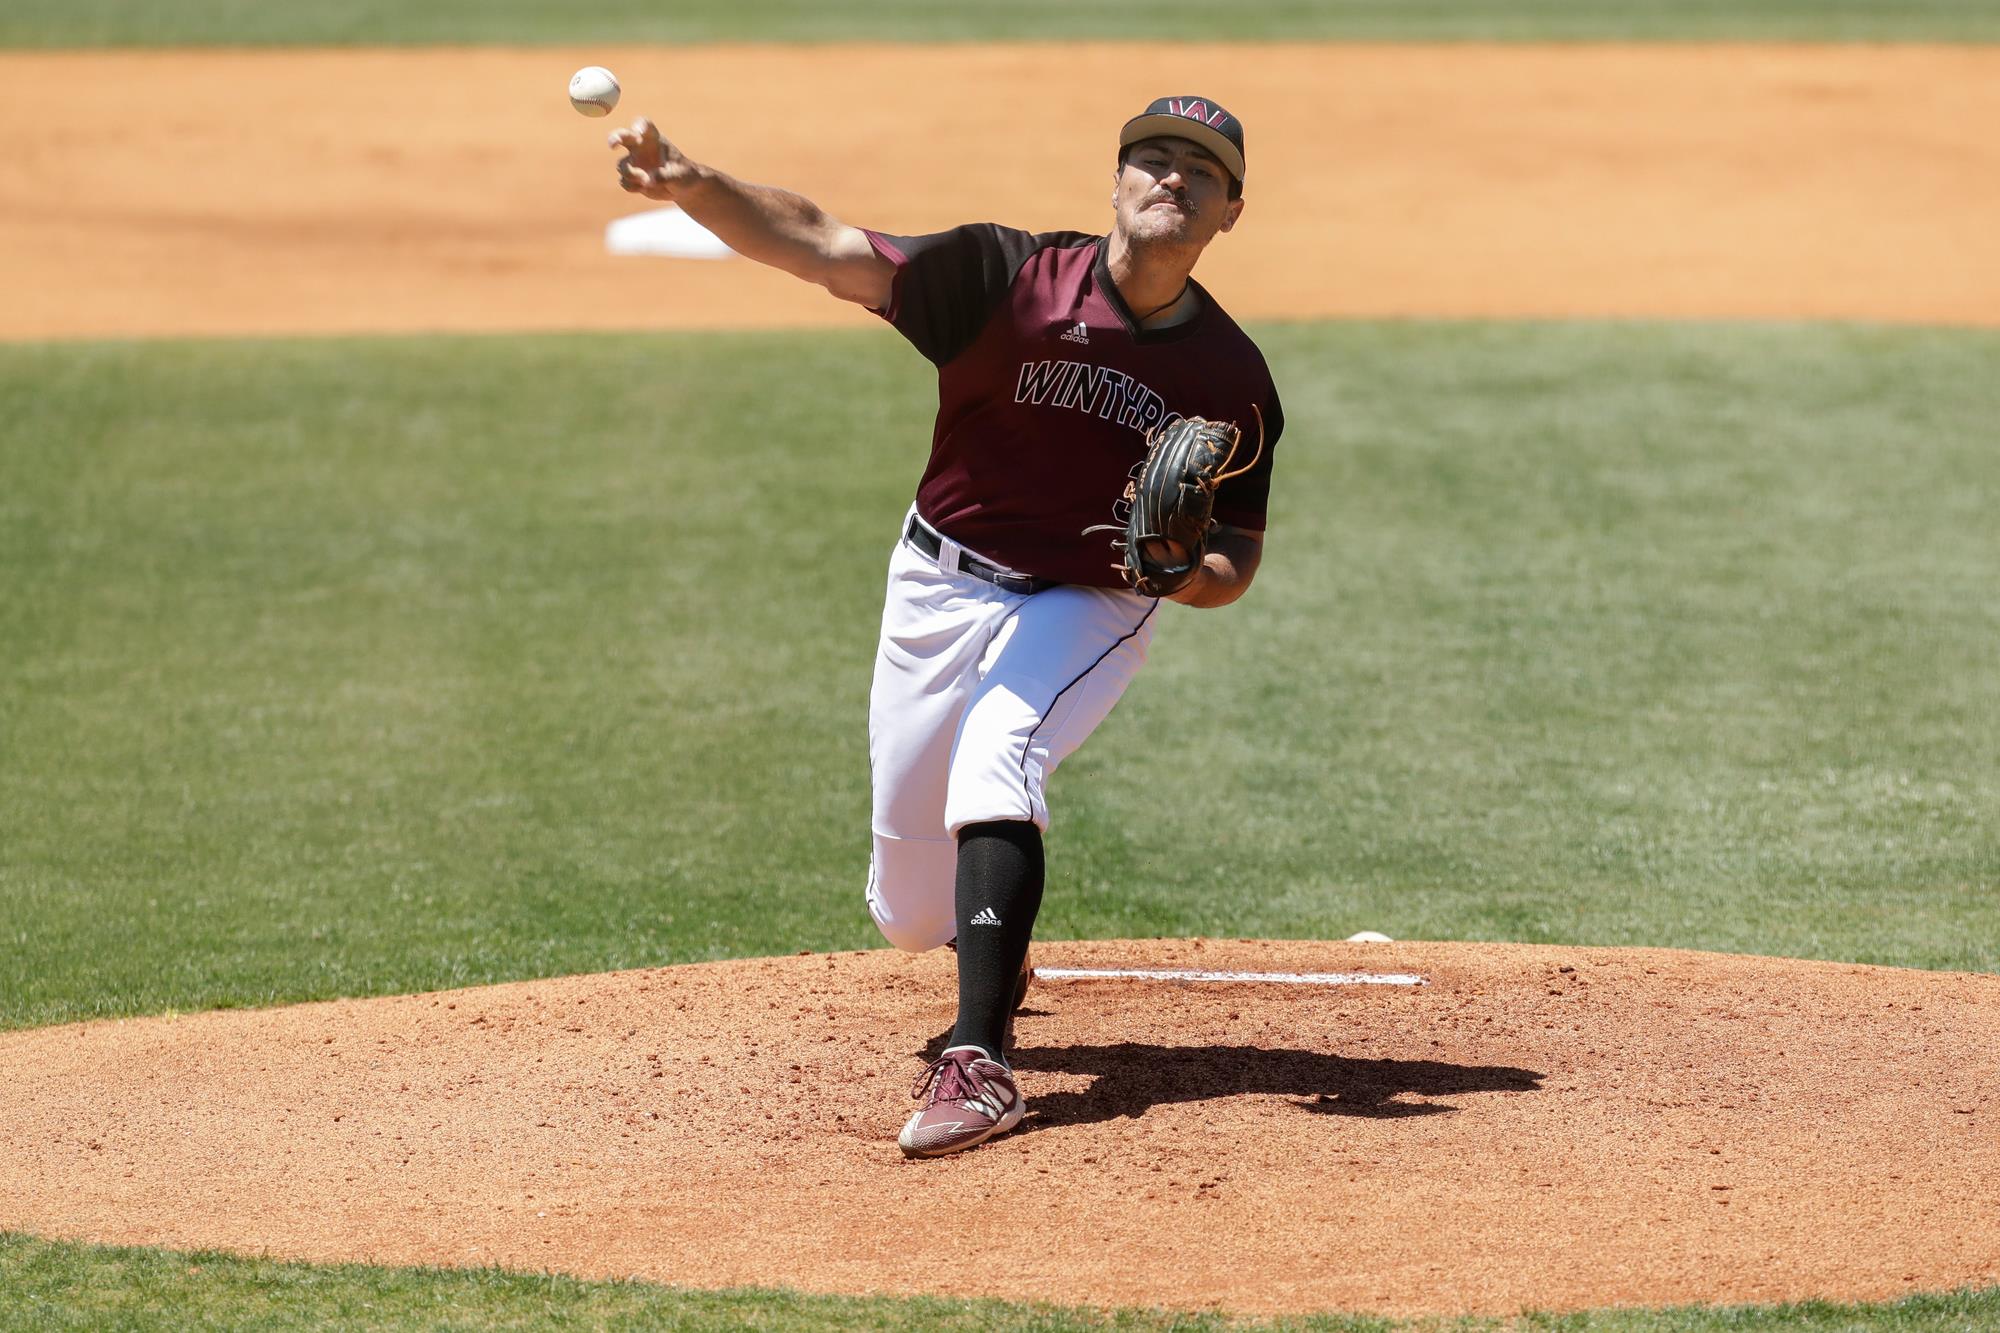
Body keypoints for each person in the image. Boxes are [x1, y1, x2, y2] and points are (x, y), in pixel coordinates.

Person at [611, 95, 1282, 1158]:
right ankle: (992, 950)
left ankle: (981, 1061)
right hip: (938, 580)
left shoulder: (1232, 379)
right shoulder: (1007, 277)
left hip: (1091, 597)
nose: (1173, 179)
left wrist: (1178, 576)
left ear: (1230, 211)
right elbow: (822, 245)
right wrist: (694, 183)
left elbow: (1232, 561)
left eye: (1201, 172)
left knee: (999, 754)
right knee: (910, 914)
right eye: (1153, 158)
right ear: (1114, 180)